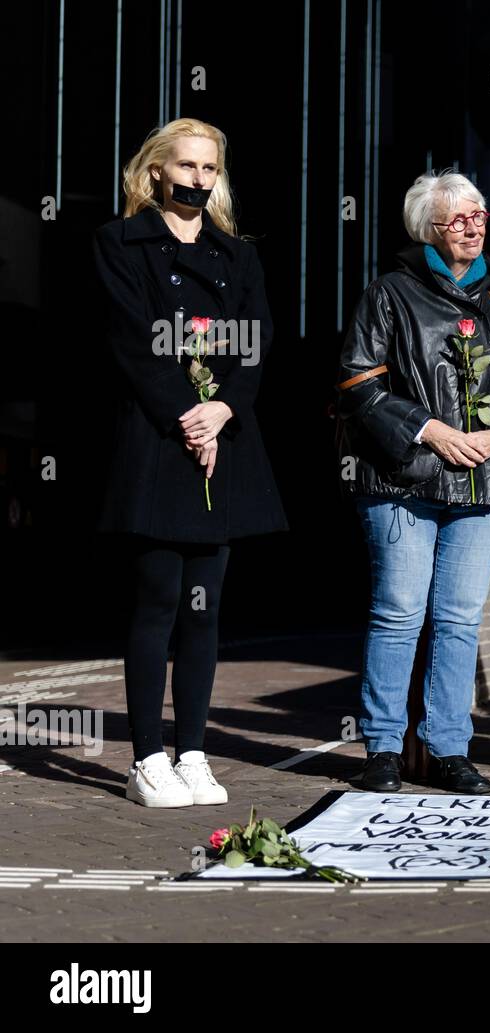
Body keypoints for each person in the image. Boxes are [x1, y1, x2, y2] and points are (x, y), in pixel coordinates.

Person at [93, 118, 287, 807]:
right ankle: (147, 759)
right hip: (157, 440)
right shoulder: (120, 243)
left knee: (206, 610)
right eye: (187, 167)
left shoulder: (237, 255)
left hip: (222, 441)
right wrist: (188, 413)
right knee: (158, 601)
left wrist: (223, 410)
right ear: (155, 172)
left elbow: (257, 342)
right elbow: (133, 343)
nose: (199, 180)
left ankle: (195, 751)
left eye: (210, 169)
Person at [336, 170, 490, 794]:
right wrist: (427, 429)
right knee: (399, 615)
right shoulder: (388, 294)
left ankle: (450, 749)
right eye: (459, 219)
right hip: (403, 481)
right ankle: (381, 749)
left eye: (480, 217)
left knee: (459, 621)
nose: (474, 228)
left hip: (479, 488)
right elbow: (355, 383)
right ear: (429, 228)